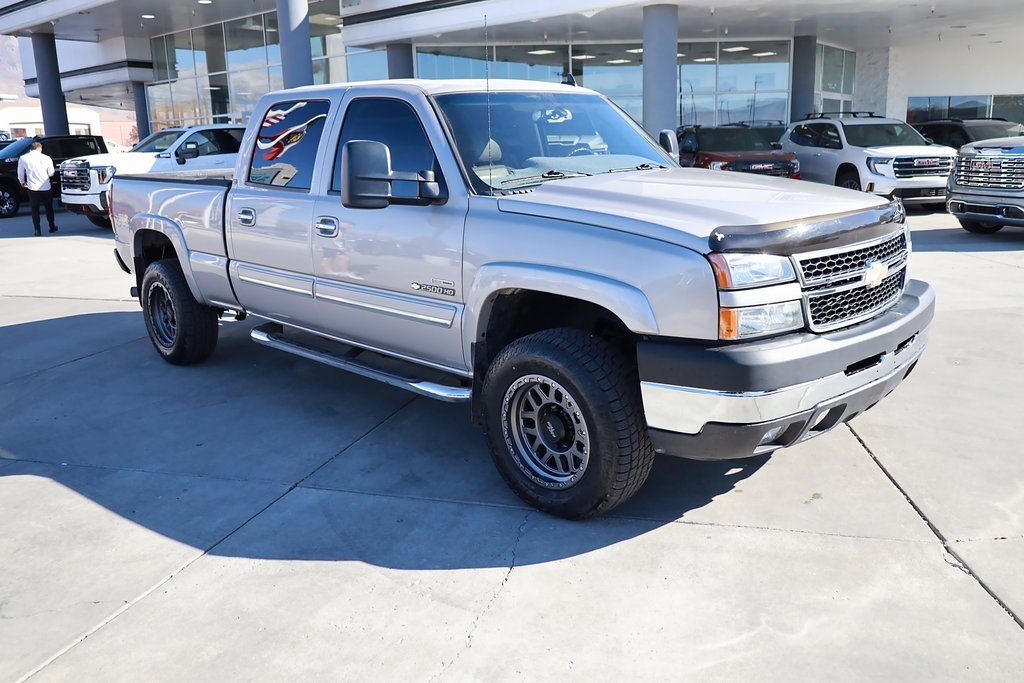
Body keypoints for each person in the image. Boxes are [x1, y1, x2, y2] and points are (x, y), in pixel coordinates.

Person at [17, 141, 57, 236]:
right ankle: (52, 226)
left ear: (31, 148)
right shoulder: (46, 158)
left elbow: (20, 173)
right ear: (40, 148)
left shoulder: (23, 158)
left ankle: (37, 230)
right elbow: (51, 173)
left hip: (32, 187)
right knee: (49, 208)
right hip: (45, 186)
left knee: (35, 209)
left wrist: (22, 182)